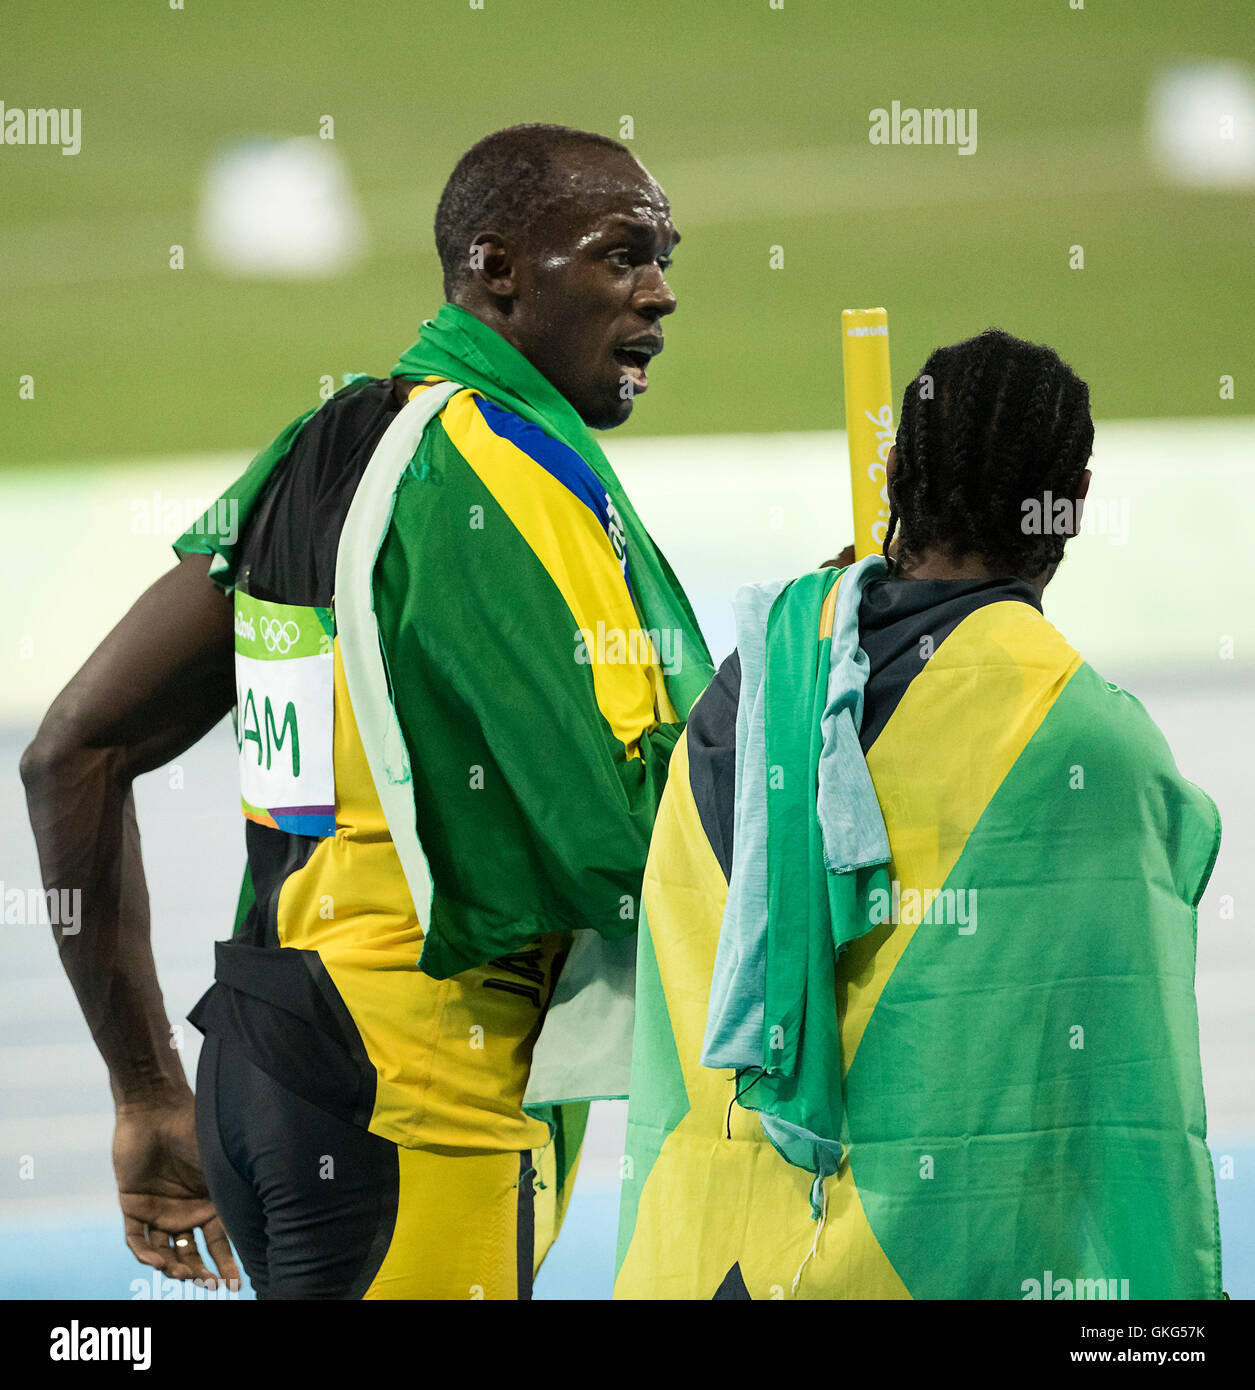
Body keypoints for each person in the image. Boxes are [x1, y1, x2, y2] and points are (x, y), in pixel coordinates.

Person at [21, 123, 711, 1300]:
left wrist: (147, 1092)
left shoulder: (332, 441)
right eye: (620, 256)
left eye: (662, 256)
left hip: (261, 1060)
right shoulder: (488, 473)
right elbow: (611, 838)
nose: (662, 293)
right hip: (417, 1090)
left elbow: (72, 751)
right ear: (498, 270)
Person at [615, 328, 1223, 1300]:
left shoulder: (755, 679)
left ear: (894, 469)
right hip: (913, 1265)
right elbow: (1128, 1047)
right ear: (1067, 505)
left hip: (695, 1252)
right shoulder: (1081, 737)